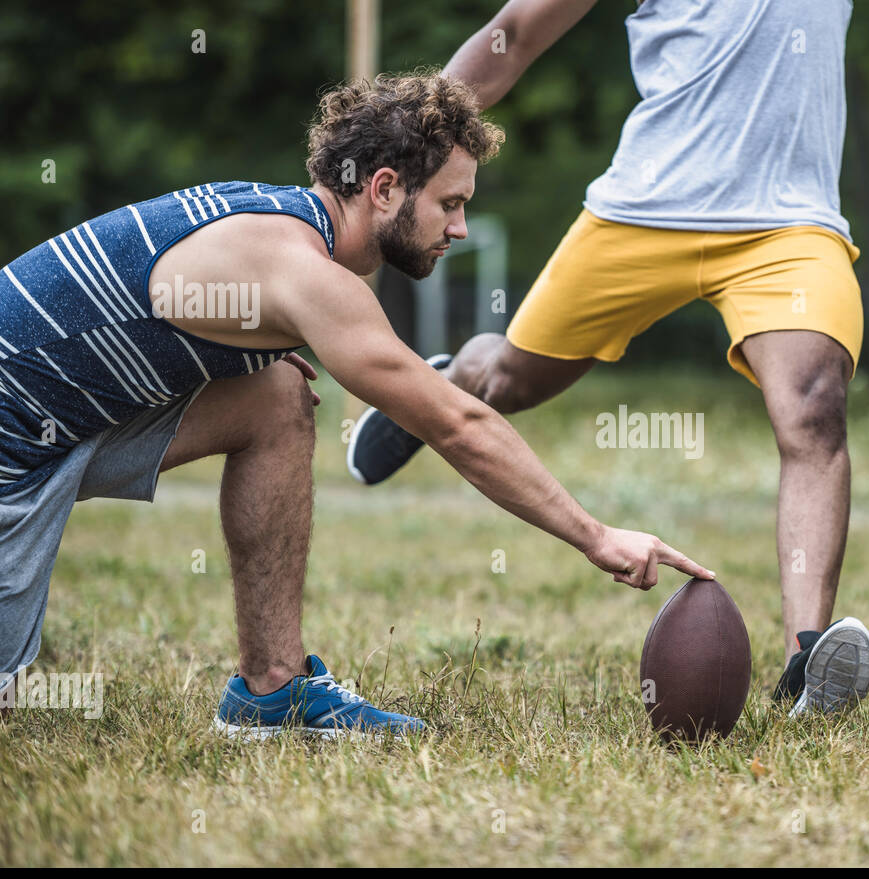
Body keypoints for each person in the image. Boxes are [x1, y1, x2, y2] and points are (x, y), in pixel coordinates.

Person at [0, 70, 711, 735]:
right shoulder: (304, 271)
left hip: (53, 433)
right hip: (13, 452)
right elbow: (458, 423)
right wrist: (597, 535)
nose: (459, 229)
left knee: (278, 395)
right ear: (383, 188)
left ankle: (270, 691)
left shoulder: (281, 226)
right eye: (450, 204)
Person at [347, 0, 869, 716]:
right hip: (645, 208)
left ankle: (807, 661)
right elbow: (518, 34)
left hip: (787, 222)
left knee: (815, 408)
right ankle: (456, 380)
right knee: (514, 378)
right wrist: (415, 141)